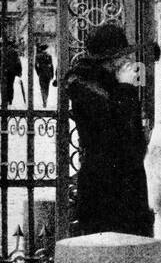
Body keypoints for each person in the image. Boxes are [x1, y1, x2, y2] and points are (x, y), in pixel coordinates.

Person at [64, 22, 154, 238]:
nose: (127, 61)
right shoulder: (84, 84)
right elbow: (112, 135)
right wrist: (125, 89)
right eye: (120, 56)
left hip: (129, 183)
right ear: (106, 60)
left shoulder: (114, 84)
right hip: (104, 185)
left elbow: (135, 141)